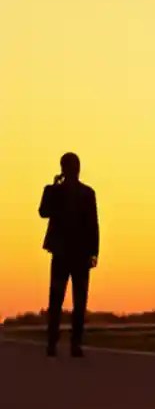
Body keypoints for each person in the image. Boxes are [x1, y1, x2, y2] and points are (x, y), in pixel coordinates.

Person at [38, 152, 99, 357]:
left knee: (57, 299)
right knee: (76, 301)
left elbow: (43, 211)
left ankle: (54, 343)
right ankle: (74, 344)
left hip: (66, 253)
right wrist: (94, 252)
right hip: (76, 254)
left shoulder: (62, 192)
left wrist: (54, 187)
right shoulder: (85, 193)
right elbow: (94, 225)